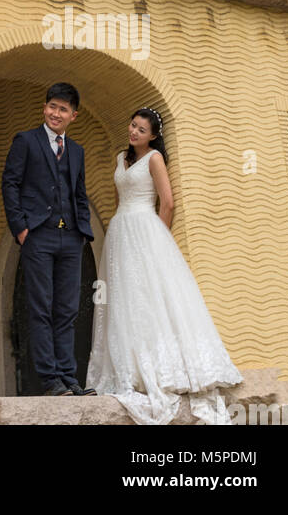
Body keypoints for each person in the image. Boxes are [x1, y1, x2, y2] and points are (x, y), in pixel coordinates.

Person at [86, 108, 242, 424]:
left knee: (150, 298)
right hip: (121, 231)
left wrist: (158, 240)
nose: (134, 132)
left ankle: (161, 366)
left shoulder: (155, 159)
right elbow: (119, 198)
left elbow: (167, 202)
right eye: (132, 125)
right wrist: (117, 227)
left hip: (146, 229)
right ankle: (125, 366)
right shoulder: (121, 158)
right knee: (125, 299)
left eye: (141, 130)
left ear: (153, 136)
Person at [1, 83, 96, 396]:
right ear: (45, 108)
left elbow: (79, 194)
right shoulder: (26, 141)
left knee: (67, 310)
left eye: (63, 109)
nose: (56, 113)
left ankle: (69, 378)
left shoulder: (77, 151)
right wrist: (21, 228)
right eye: (52, 106)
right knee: (41, 308)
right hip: (38, 235)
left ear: (73, 116)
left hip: (70, 237)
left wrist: (84, 230)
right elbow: (10, 184)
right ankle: (50, 380)